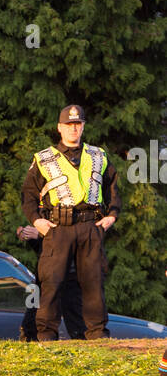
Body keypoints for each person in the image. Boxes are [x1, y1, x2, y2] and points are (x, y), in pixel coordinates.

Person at [21, 103, 120, 341]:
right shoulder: (43, 158)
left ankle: (97, 333)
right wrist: (37, 221)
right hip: (58, 227)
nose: (73, 129)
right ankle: (46, 334)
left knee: (93, 281)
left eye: (77, 124)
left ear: (83, 127)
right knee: (51, 281)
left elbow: (113, 188)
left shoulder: (98, 155)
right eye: (69, 125)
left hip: (90, 226)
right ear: (59, 127)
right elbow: (28, 195)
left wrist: (112, 215)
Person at [15, 225, 84, 342]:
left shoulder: (72, 217)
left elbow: (70, 242)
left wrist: (41, 236)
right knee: (30, 325)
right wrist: (28, 236)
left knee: (76, 324)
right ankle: (31, 340)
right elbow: (42, 250)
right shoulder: (42, 215)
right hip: (43, 277)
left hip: (68, 276)